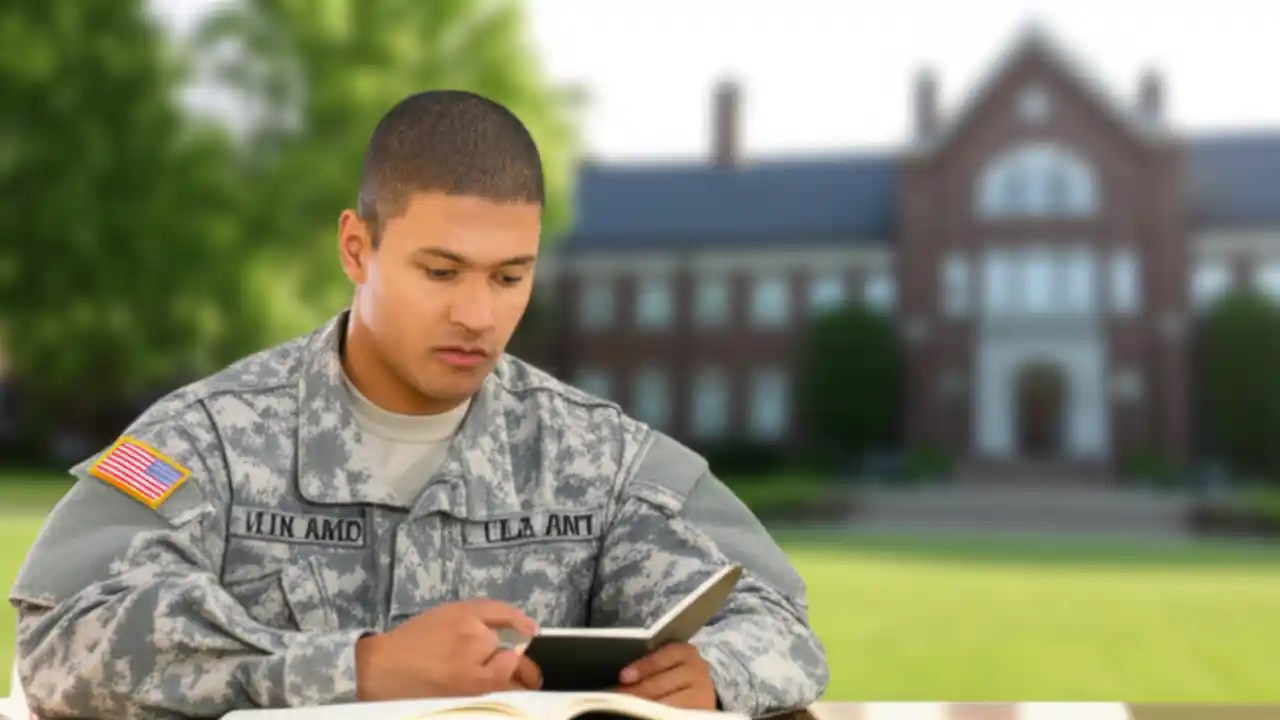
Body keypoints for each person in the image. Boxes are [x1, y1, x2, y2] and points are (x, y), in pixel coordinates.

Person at [9, 90, 829, 719]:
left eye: (510, 276)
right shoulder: (209, 439)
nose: (479, 313)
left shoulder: (599, 457)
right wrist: (361, 669)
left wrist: (716, 674)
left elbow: (778, 620)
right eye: (441, 272)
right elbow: (57, 640)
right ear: (357, 249)